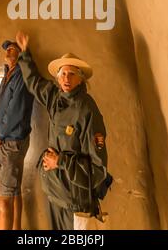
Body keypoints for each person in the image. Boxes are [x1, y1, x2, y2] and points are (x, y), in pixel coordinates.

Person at [15, 31, 109, 230]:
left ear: (80, 79)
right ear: (58, 78)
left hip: (75, 201)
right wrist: (24, 53)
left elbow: (98, 171)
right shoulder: (56, 98)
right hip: (55, 193)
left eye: (72, 74)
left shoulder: (86, 109)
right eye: (63, 73)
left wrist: (60, 161)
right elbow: (34, 83)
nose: (66, 78)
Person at [0, 40, 34, 230]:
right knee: (14, 192)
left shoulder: (22, 73)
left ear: (20, 54)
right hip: (4, 139)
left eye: (13, 49)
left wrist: (0, 135)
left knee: (4, 201)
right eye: (7, 49)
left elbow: (16, 111)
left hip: (13, 141)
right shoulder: (7, 74)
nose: (8, 51)